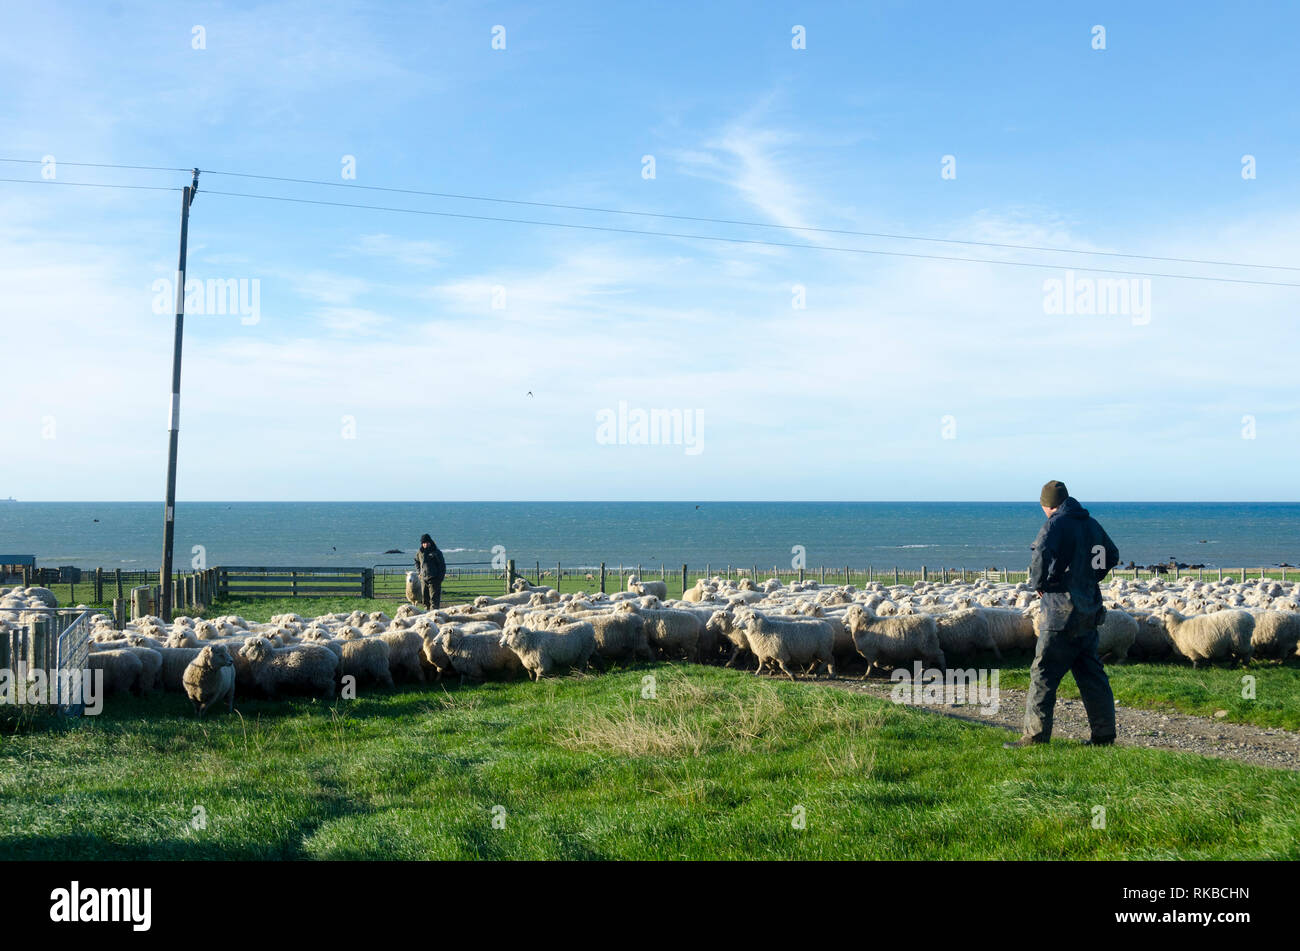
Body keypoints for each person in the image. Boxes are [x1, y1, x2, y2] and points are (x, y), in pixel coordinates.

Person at [1005, 481, 1120, 749]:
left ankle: (1035, 737)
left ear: (1047, 505)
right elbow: (1110, 555)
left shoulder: (1056, 523)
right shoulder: (1091, 524)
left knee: (1043, 673)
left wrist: (1039, 584)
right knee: (1092, 674)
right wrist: (1091, 576)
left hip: (1059, 613)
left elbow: (1042, 551)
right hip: (1088, 611)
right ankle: (1103, 736)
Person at [415, 534, 447, 610]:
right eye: (423, 543)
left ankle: (434, 616)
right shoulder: (420, 552)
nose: (425, 544)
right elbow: (416, 561)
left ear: (430, 542)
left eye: (426, 542)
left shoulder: (436, 552)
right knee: (425, 600)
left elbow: (442, 566)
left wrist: (440, 578)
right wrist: (419, 571)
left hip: (434, 579)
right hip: (424, 579)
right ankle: (426, 615)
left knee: (434, 600)